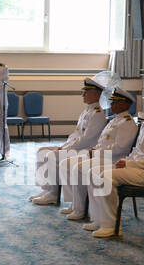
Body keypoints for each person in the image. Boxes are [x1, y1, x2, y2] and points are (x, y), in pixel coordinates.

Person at [84, 83, 144, 239]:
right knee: (94, 172)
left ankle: (111, 225)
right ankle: (99, 218)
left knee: (105, 177)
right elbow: (137, 151)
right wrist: (127, 161)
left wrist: (128, 163)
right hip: (136, 168)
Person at [62, 87, 138, 224]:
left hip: (113, 160)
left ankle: (86, 212)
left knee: (80, 169)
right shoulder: (115, 120)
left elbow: (119, 149)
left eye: (116, 102)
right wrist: (95, 150)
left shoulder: (127, 122)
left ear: (126, 104)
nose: (112, 105)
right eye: (112, 102)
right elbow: (102, 142)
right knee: (69, 163)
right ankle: (78, 206)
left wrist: (96, 152)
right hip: (102, 156)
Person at [29, 77, 108, 206]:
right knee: (42, 151)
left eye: (86, 92)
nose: (82, 94)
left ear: (96, 94)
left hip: (85, 151)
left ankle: (53, 195)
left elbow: (86, 139)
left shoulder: (97, 114)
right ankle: (46, 189)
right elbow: (76, 134)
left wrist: (65, 149)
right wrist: (64, 146)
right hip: (76, 147)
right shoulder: (86, 111)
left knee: (52, 155)